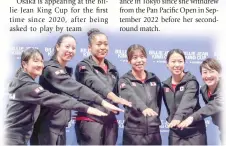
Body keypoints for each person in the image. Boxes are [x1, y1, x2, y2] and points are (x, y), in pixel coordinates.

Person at [30, 34, 124, 145]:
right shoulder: (49, 69)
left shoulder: (66, 71)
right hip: (46, 128)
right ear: (57, 47)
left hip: (60, 128)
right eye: (67, 46)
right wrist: (102, 101)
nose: (70, 50)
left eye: (73, 48)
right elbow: (75, 88)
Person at [5, 48, 109, 145]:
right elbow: (57, 99)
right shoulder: (28, 87)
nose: (41, 65)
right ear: (24, 64)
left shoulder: (19, 82)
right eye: (36, 61)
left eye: (41, 61)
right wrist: (87, 108)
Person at [75, 28, 132, 145]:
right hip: (90, 120)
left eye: (105, 44)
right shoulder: (83, 66)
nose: (103, 47)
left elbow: (117, 93)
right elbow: (94, 83)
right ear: (89, 48)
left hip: (110, 121)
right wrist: (112, 96)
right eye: (99, 44)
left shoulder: (112, 69)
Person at [118, 44, 162, 145]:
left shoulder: (154, 79)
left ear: (146, 58)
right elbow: (130, 97)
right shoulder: (124, 80)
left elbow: (158, 103)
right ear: (129, 61)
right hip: (133, 133)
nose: (139, 61)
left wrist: (154, 121)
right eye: (135, 58)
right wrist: (144, 108)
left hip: (154, 132)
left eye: (142, 57)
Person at [162, 49, 207, 145]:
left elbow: (187, 102)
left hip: (195, 132)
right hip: (175, 132)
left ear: (184, 63)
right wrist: (172, 120)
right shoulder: (165, 85)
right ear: (167, 64)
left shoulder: (192, 82)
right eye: (173, 61)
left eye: (180, 61)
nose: (177, 65)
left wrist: (177, 117)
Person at [178, 58, 222, 141]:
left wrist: (192, 118)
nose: (208, 76)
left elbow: (212, 106)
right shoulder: (204, 89)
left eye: (212, 71)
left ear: (219, 73)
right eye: (205, 72)